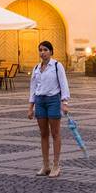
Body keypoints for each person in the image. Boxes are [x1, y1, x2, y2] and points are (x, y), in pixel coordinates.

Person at [28, 40, 71, 178]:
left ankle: (56, 165)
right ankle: (45, 165)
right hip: (40, 101)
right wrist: (31, 107)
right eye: (40, 50)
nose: (43, 52)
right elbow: (33, 89)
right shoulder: (36, 68)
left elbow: (64, 84)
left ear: (51, 52)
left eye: (45, 50)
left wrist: (64, 102)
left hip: (53, 100)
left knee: (55, 133)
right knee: (43, 134)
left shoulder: (57, 66)